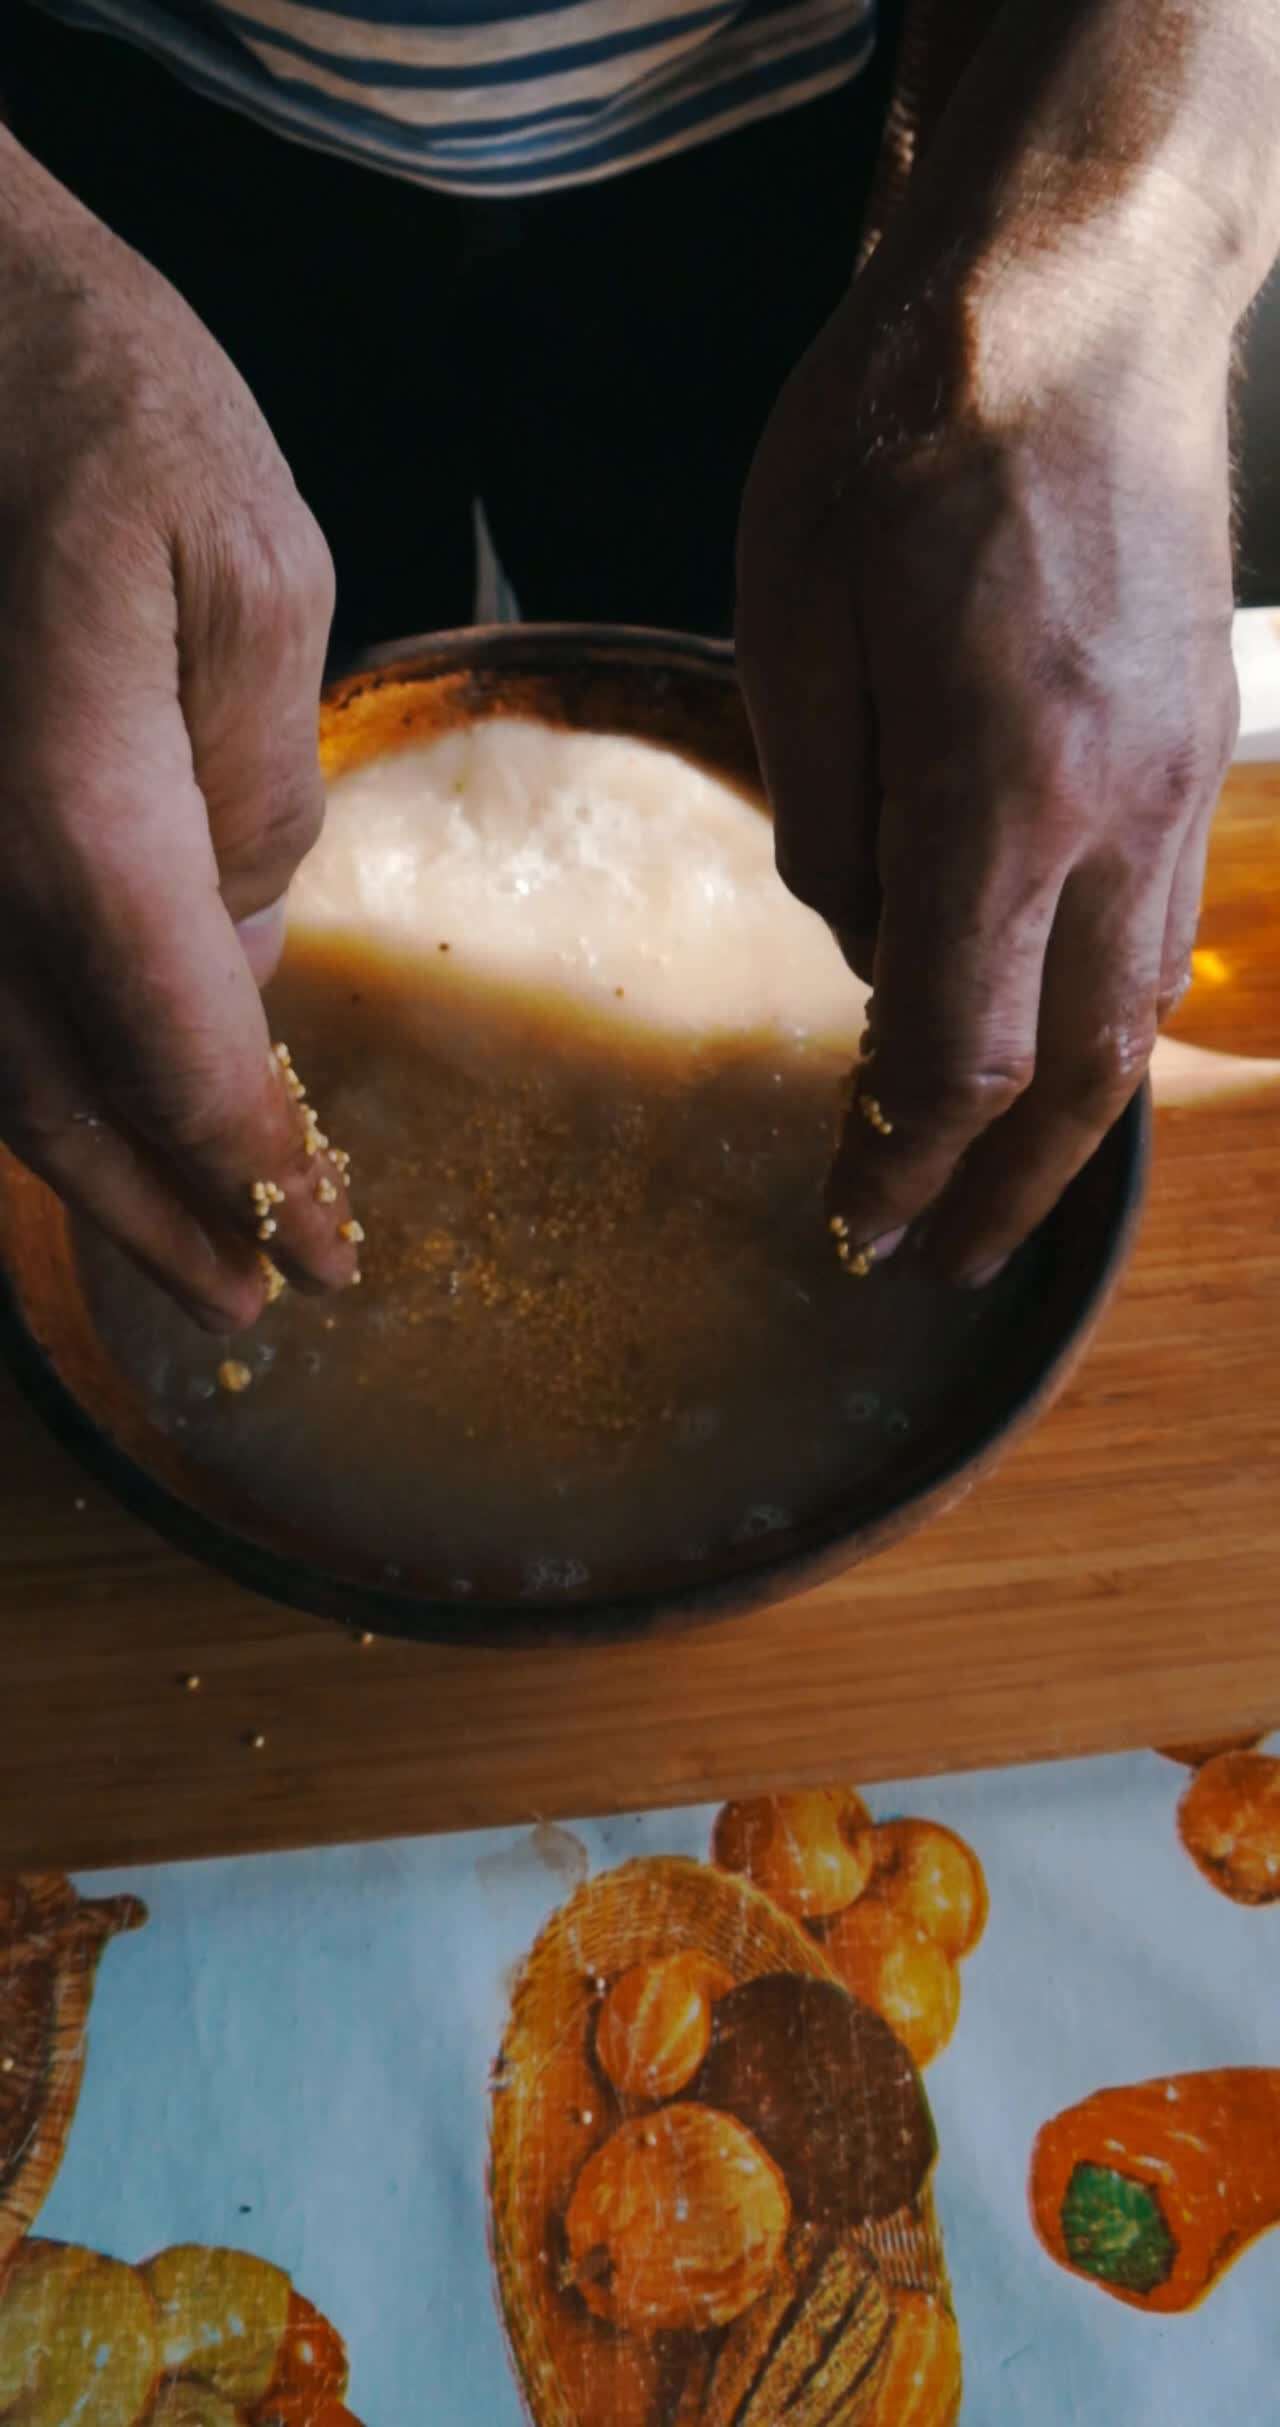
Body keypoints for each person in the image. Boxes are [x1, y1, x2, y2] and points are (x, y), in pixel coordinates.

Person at [0, 1, 1276, 1332]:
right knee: (216, 765)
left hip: (763, 102)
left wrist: (1130, 223)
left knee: (794, 689)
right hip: (134, 107)